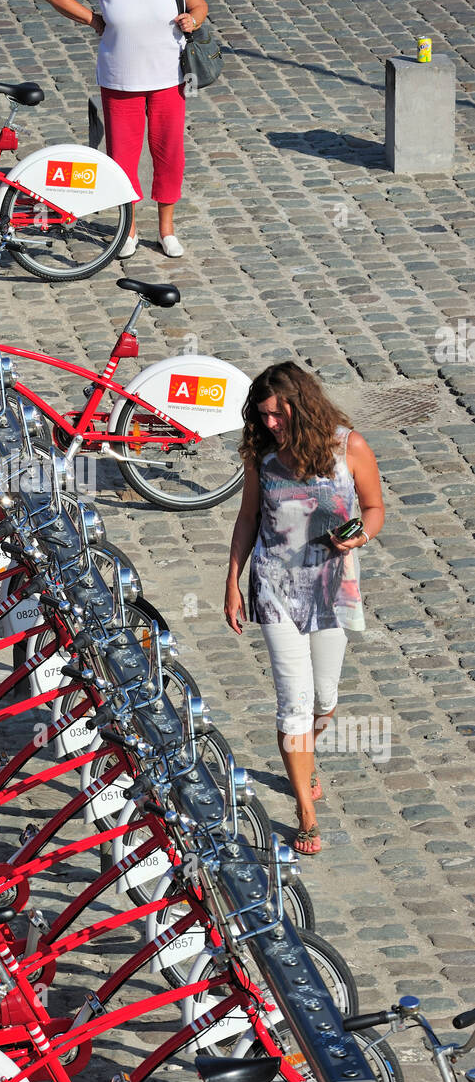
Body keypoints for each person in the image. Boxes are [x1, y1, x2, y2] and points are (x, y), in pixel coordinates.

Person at [224, 363, 385, 856]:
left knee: (324, 698)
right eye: (262, 415)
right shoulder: (262, 454)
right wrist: (232, 582)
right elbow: (248, 516)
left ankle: (307, 754)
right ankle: (305, 810)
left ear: (303, 403)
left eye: (278, 413)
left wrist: (360, 534)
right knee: (293, 703)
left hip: (333, 588)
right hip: (274, 589)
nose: (270, 423)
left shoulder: (347, 447)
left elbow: (375, 508)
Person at [43, 0, 207, 258]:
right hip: (119, 80)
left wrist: (192, 19)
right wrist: (92, 19)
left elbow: (199, 4)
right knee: (122, 159)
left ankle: (166, 229)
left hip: (168, 78)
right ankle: (128, 229)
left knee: (169, 155)